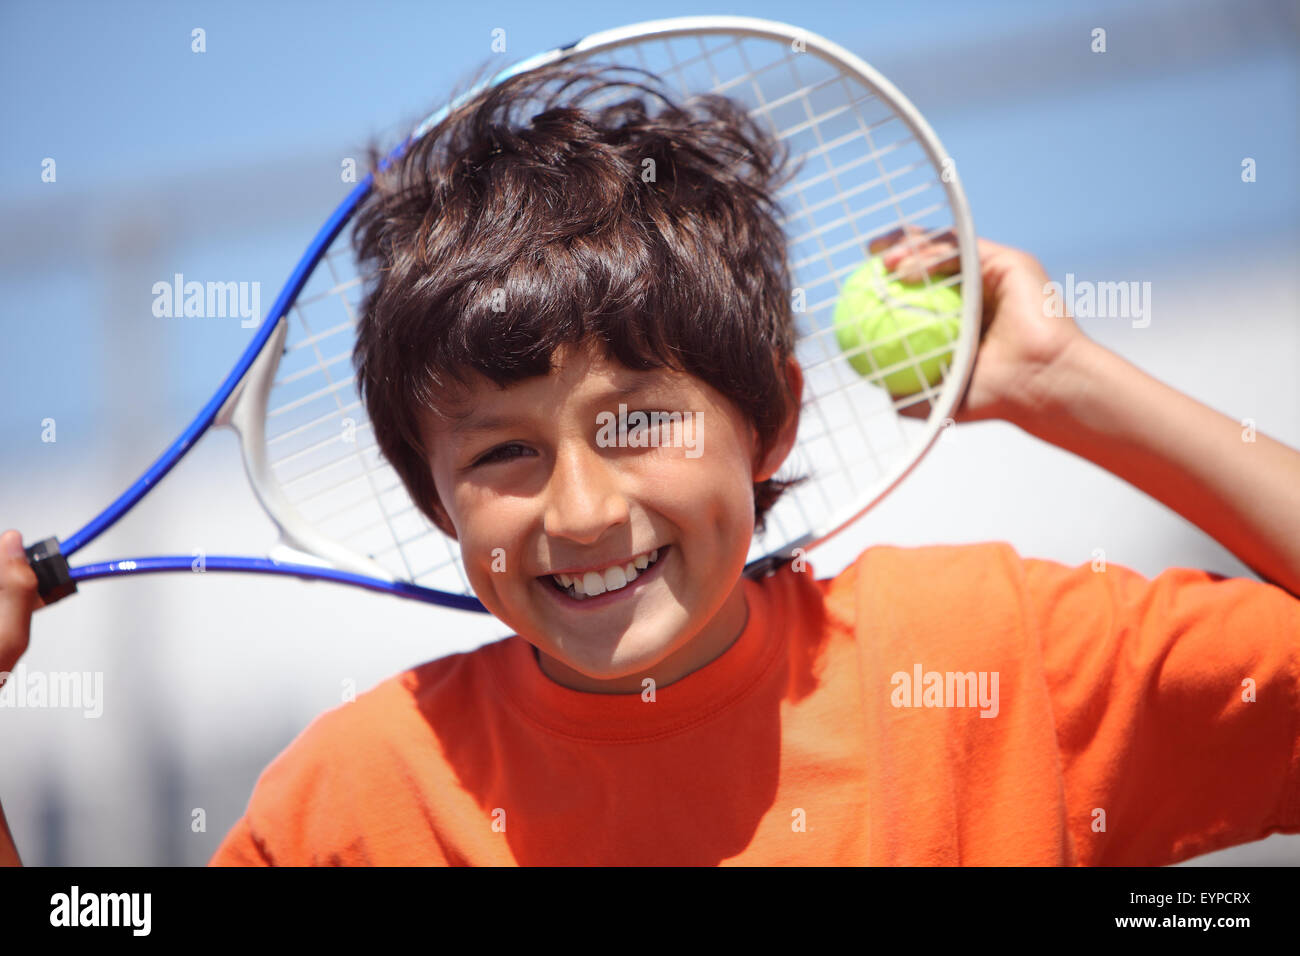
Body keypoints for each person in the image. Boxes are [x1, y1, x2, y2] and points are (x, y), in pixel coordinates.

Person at [2, 65, 1297, 866]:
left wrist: (1076, 387)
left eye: (637, 423)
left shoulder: (997, 653)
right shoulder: (361, 796)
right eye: (503, 452)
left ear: (773, 420)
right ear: (432, 498)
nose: (581, 508)